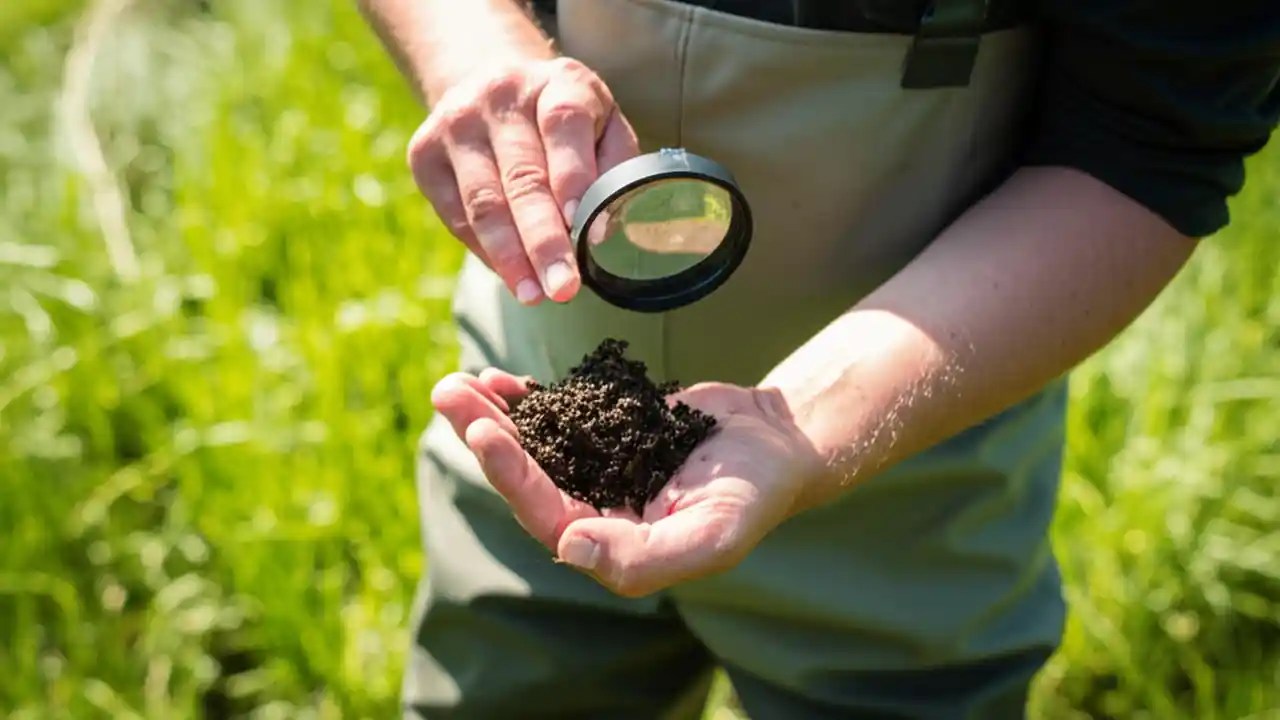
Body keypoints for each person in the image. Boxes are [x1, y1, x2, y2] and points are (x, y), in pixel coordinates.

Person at [356, 1, 1280, 717]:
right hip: (532, 425)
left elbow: (1146, 141)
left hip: (917, 448)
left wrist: (802, 426)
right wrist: (477, 54)